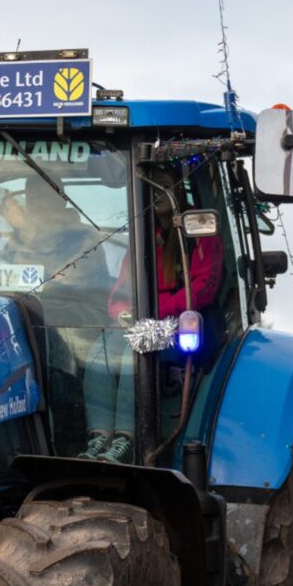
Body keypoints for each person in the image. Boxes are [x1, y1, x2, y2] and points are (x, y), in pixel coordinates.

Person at [82, 188, 225, 462]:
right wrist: (123, 312)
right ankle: (99, 437)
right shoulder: (143, 241)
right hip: (143, 320)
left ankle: (126, 439)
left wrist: (156, 310)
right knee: (101, 348)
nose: (158, 195)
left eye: (164, 185)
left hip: (181, 324)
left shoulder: (199, 236)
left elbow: (203, 289)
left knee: (133, 352)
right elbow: (121, 291)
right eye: (153, 188)